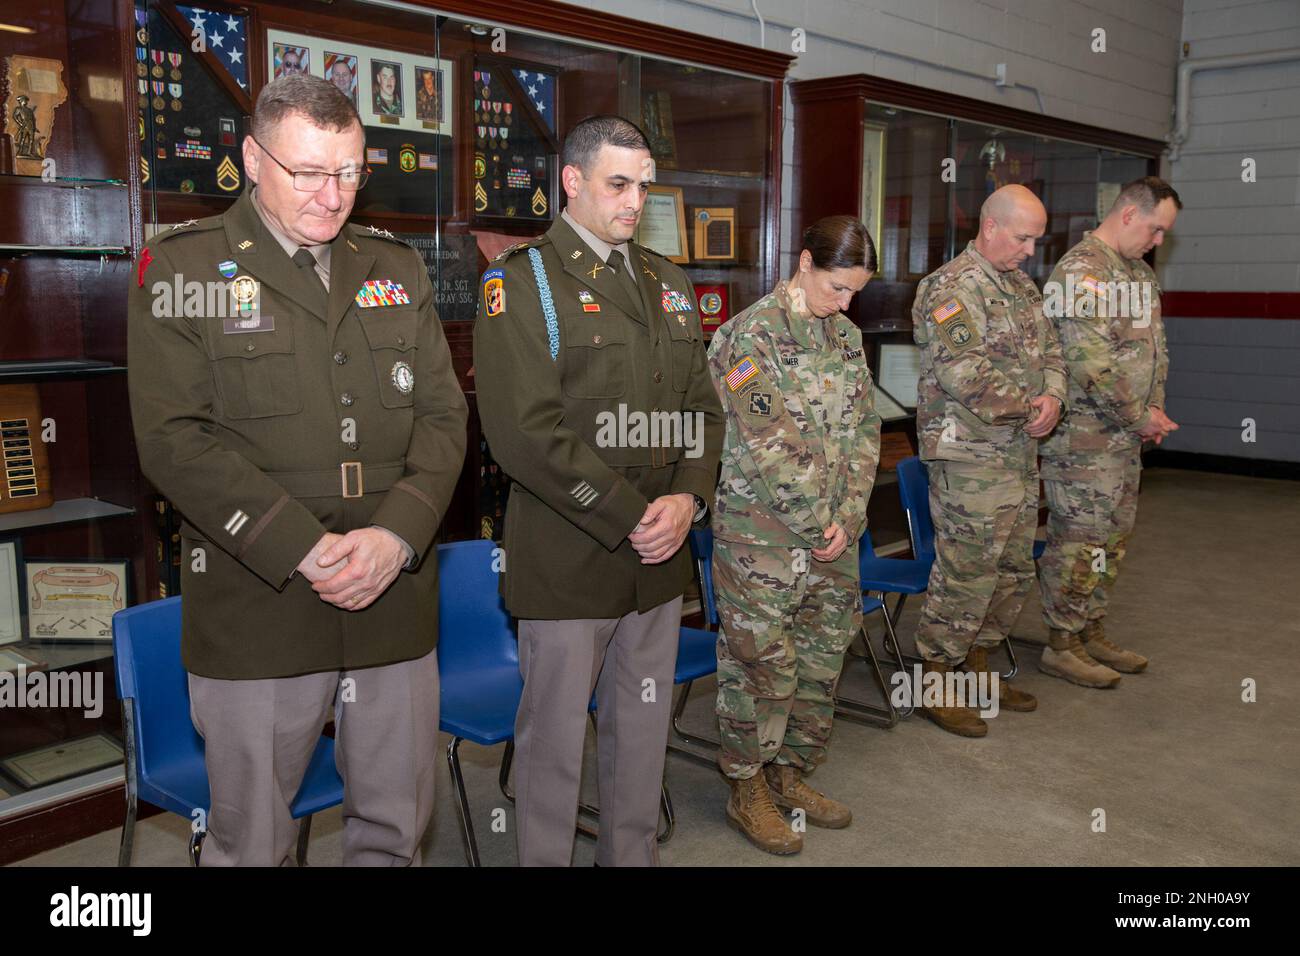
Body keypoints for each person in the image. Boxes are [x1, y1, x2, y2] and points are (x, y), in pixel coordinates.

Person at [128, 74, 468, 865]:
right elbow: (175, 440)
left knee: (395, 826)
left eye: (349, 172)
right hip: (263, 601)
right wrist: (305, 548)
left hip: (391, 598)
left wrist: (397, 534)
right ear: (252, 158)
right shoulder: (184, 269)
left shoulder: (395, 266)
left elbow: (444, 418)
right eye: (308, 173)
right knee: (253, 841)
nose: (332, 195)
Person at [473, 114, 723, 866]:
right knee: (552, 753)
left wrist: (687, 500)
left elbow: (701, 413)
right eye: (619, 184)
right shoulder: (523, 283)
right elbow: (524, 432)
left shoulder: (667, 282)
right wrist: (631, 514)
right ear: (572, 182)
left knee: (642, 744)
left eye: (644, 186)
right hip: (569, 557)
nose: (634, 201)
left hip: (657, 560)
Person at [707, 215, 880, 855]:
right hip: (764, 538)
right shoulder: (748, 338)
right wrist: (821, 523)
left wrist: (851, 518)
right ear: (804, 261)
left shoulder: (846, 338)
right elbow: (771, 447)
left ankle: (790, 771)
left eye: (856, 291)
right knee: (762, 667)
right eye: (837, 286)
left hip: (833, 534)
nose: (845, 302)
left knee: (821, 656)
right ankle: (747, 784)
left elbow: (866, 432)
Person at [910, 184, 1066, 737]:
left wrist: (1054, 397)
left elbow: (1052, 351)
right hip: (969, 457)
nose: (1030, 250)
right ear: (992, 227)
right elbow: (963, 371)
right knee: (967, 570)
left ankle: (977, 664)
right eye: (1023, 237)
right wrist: (1031, 407)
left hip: (1019, 453)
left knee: (1014, 566)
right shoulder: (949, 288)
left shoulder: (1021, 287)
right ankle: (935, 675)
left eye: (1035, 240)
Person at [1036, 176, 1181, 686]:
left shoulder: (1137, 272)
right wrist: (1138, 415)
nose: (1159, 240)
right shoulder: (1082, 272)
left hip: (1123, 437)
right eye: (1156, 229)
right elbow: (1087, 361)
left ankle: (1090, 627)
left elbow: (1153, 349)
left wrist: (1155, 408)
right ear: (1127, 214)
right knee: (1079, 539)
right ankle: (1060, 642)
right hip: (1084, 440)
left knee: (1111, 540)